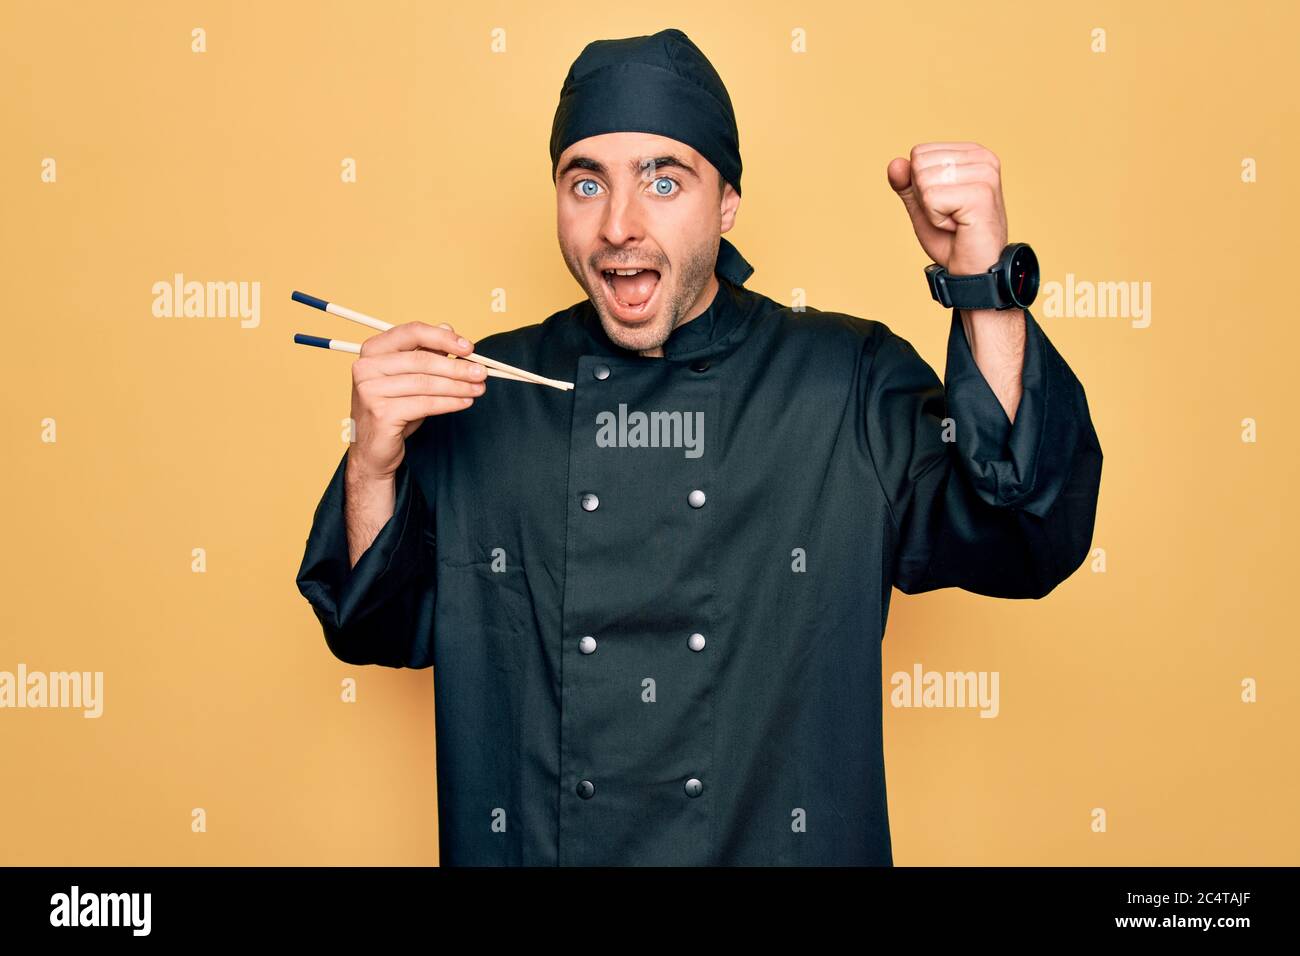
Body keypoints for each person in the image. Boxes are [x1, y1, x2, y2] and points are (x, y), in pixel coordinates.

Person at [295, 27, 1102, 866]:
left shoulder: (844, 381)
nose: (619, 226)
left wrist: (986, 287)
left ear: (726, 203)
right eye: (585, 183)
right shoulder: (484, 389)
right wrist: (373, 461)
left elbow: (1027, 537)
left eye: (665, 180)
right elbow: (376, 629)